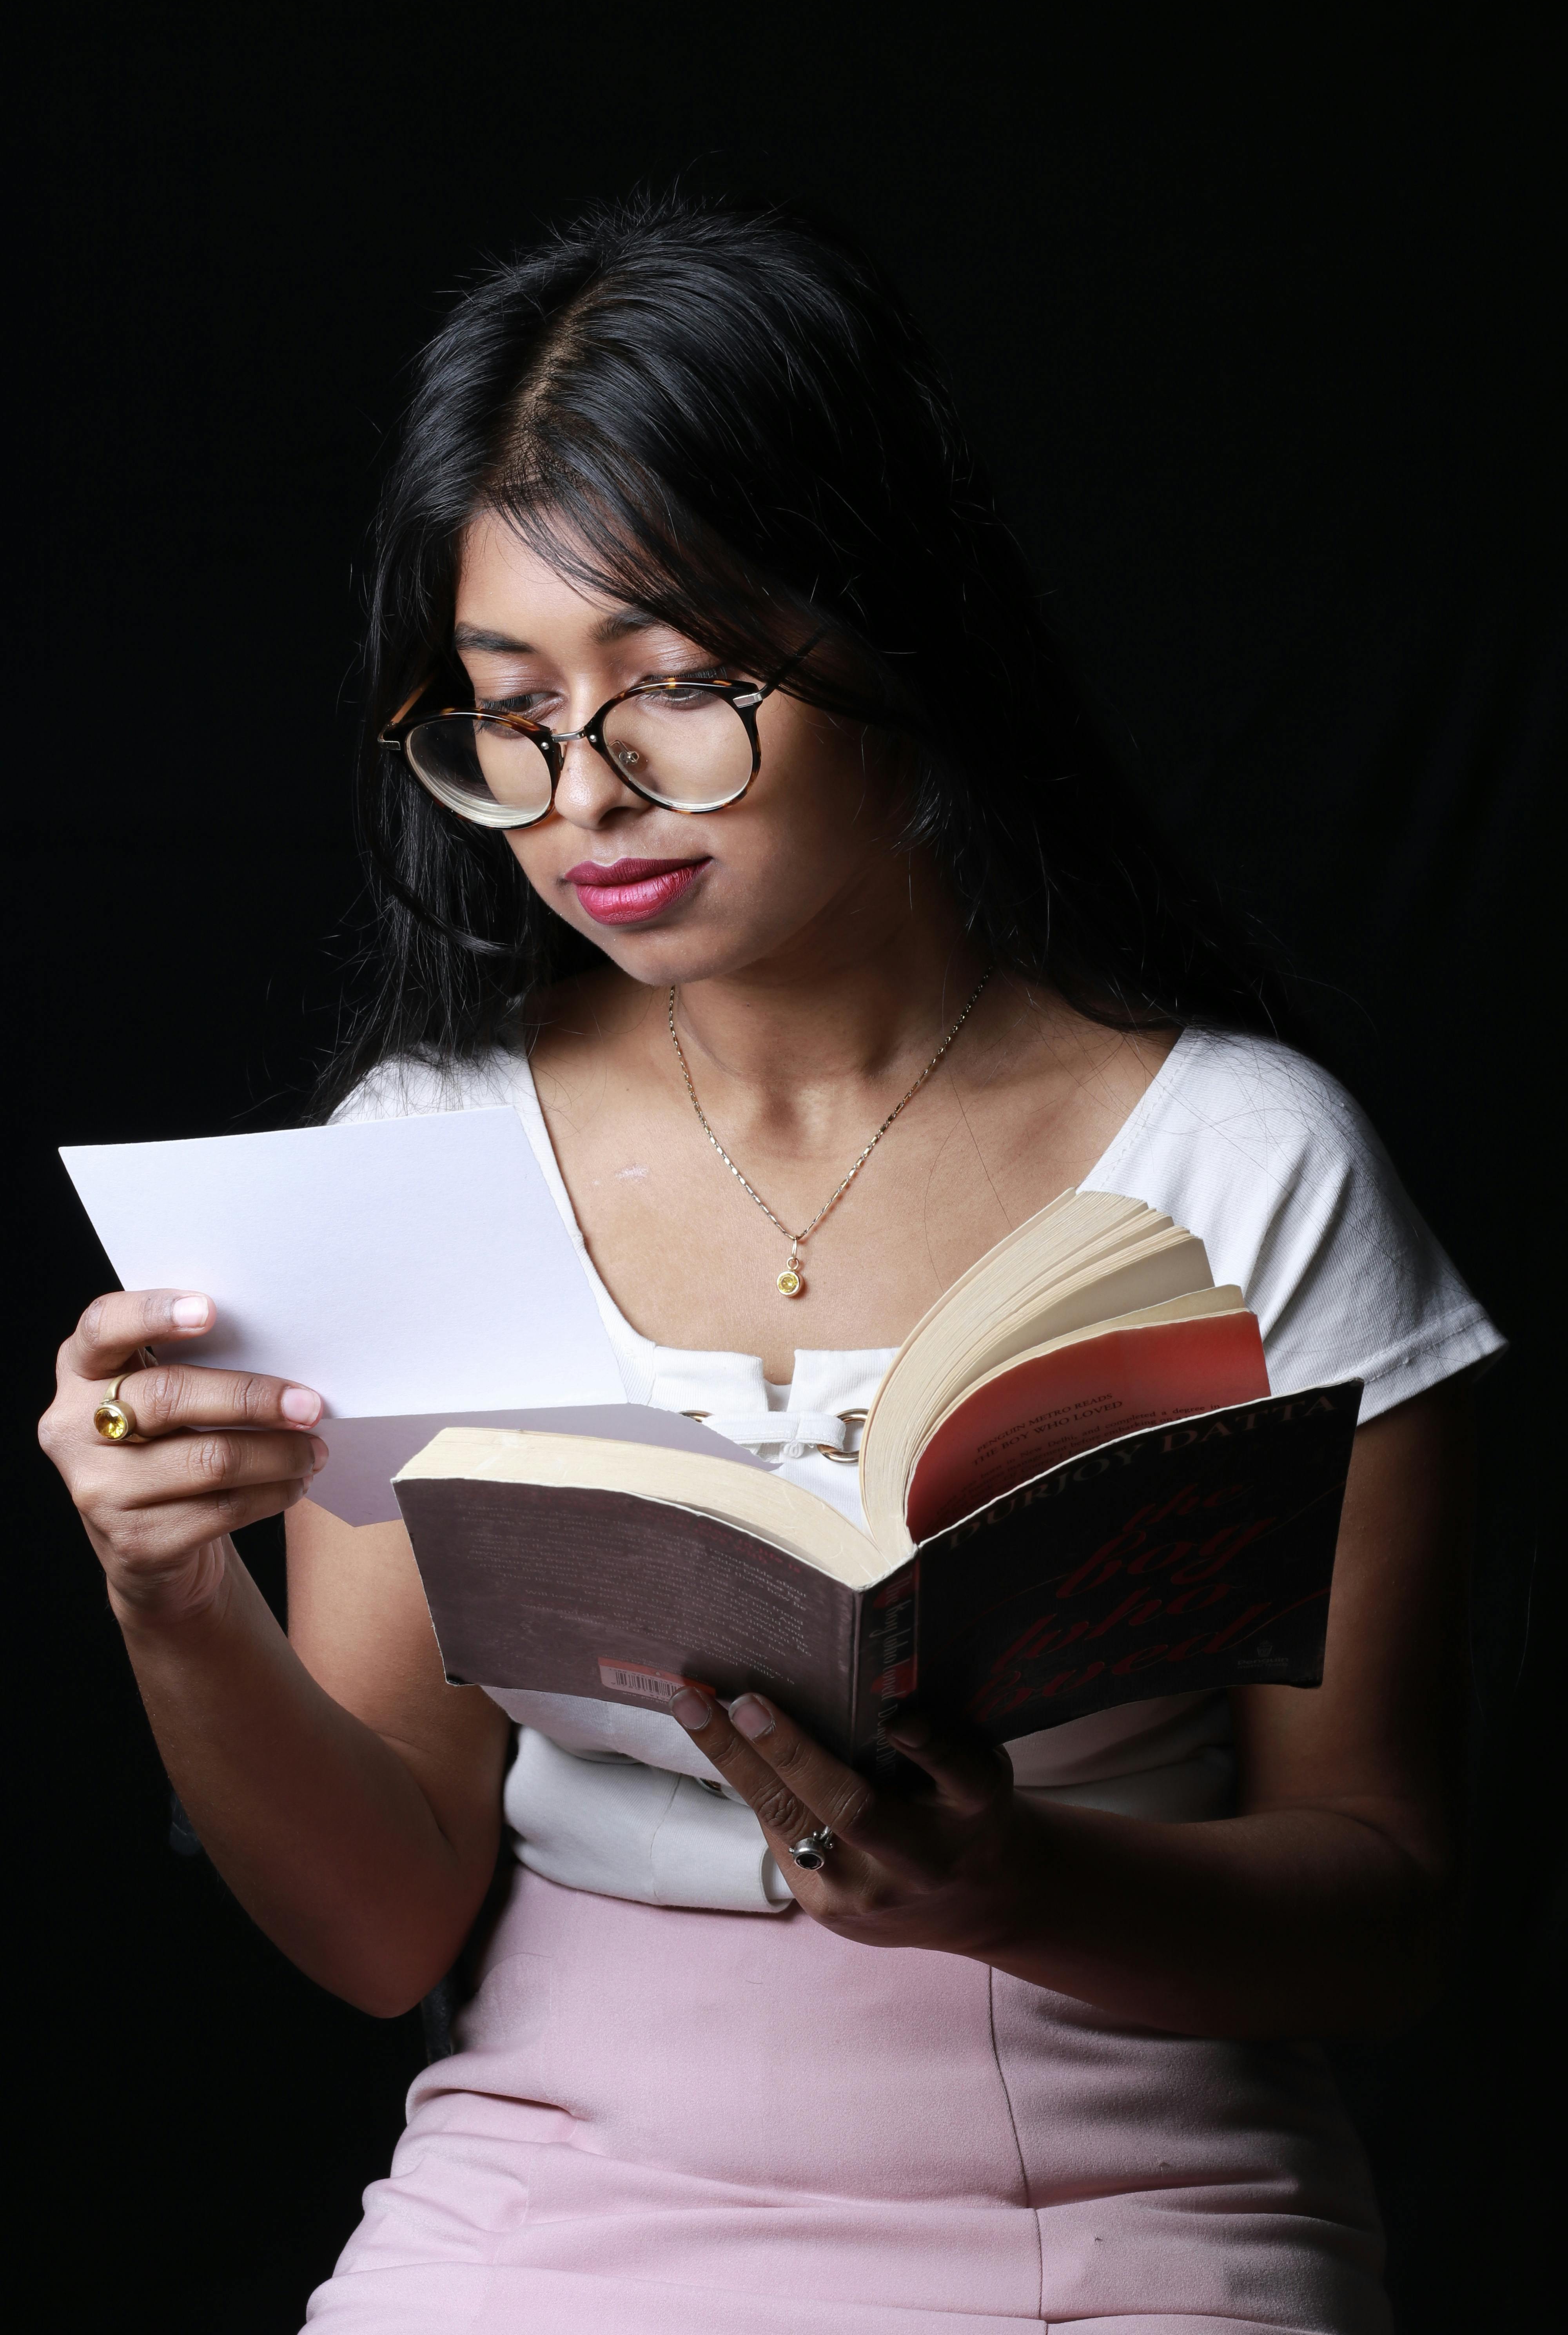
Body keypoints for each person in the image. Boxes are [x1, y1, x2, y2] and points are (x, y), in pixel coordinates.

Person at [40, 195, 1502, 2334]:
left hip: (1123, 2205)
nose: (590, 796)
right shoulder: (421, 1166)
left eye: (687, 686)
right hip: (547, 2193)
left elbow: (1388, 1915)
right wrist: (164, 1595)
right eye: (509, 711)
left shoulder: (1245, 1162)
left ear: (892, 636)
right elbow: (379, 1935)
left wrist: (1016, 1881)